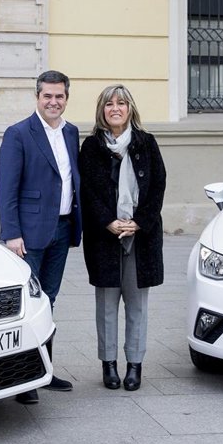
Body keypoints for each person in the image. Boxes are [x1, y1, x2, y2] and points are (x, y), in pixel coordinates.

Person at [0, 69, 82, 405]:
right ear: (37, 97)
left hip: (62, 229)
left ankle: (44, 371)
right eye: (47, 96)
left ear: (66, 98)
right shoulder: (18, 133)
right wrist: (11, 233)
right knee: (28, 305)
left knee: (49, 301)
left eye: (59, 96)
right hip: (29, 235)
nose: (53, 101)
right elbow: (7, 188)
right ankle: (23, 381)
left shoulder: (72, 132)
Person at [78, 84, 165, 392]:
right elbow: (87, 192)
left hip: (140, 238)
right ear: (102, 111)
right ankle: (109, 365)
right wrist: (108, 222)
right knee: (107, 304)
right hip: (105, 238)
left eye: (121, 103)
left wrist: (139, 223)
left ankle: (134, 366)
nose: (115, 108)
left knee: (137, 305)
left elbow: (157, 188)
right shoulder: (90, 147)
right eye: (109, 104)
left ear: (130, 109)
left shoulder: (147, 143)